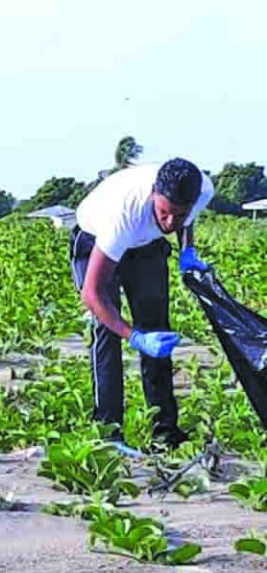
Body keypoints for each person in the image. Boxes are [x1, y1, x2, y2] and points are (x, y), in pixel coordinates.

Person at [71, 157, 215, 450]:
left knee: (157, 327)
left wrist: (187, 250)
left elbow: (185, 219)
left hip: (145, 245)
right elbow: (91, 294)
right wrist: (134, 337)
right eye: (164, 212)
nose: (170, 222)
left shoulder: (202, 190)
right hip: (95, 239)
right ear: (153, 195)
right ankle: (109, 433)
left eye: (180, 214)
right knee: (107, 331)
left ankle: (165, 433)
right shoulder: (123, 216)